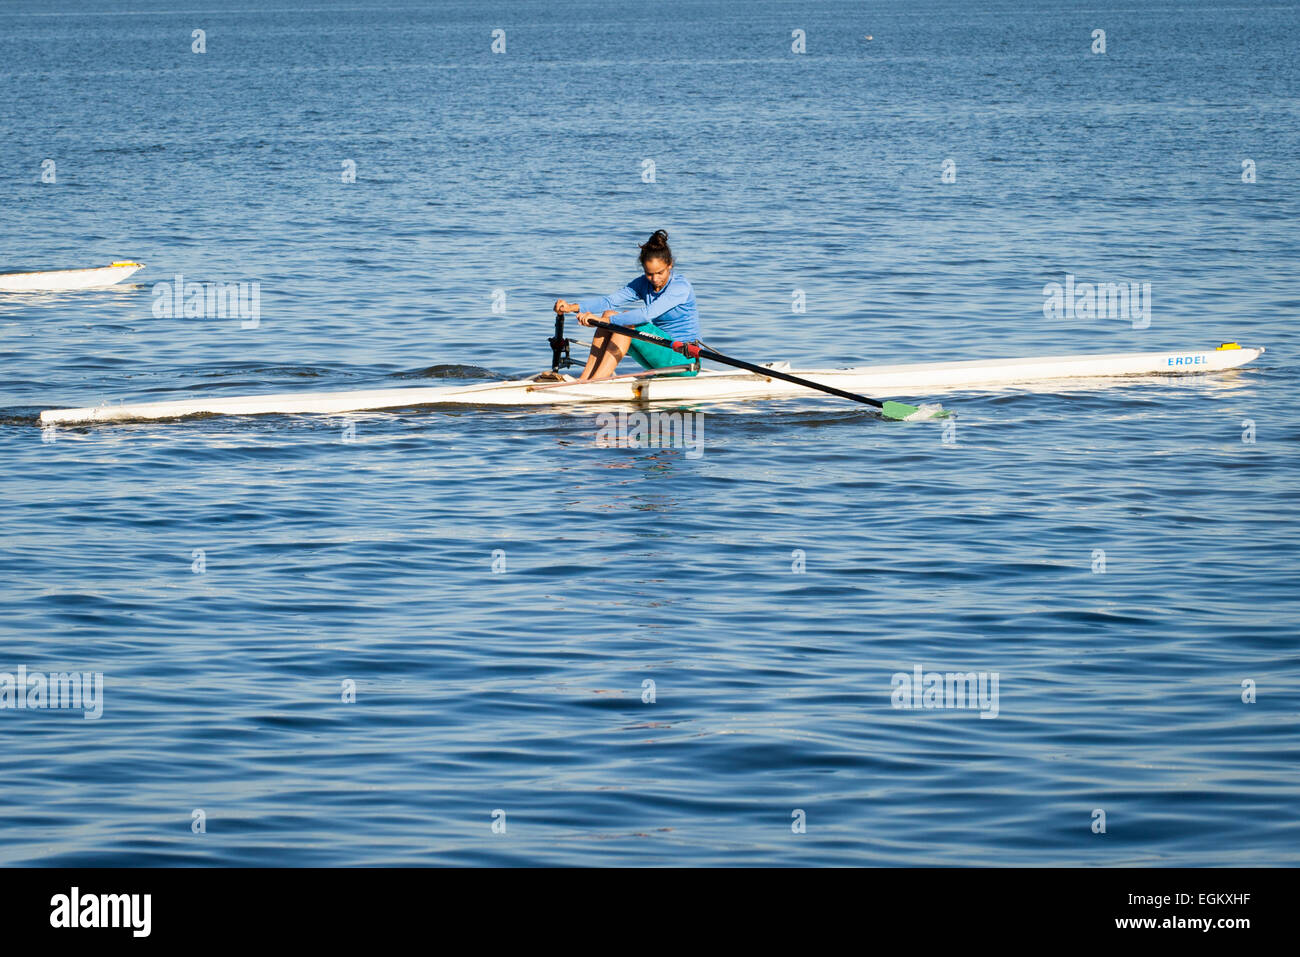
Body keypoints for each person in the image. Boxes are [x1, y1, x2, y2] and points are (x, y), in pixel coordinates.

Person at [553, 230, 701, 380]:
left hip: (684, 359)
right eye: (649, 274)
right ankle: (585, 379)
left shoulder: (680, 287)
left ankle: (596, 381)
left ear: (670, 265)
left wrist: (605, 322)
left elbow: (647, 314)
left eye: (660, 273)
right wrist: (572, 307)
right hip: (659, 354)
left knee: (623, 322)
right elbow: (609, 301)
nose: (654, 279)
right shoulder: (643, 283)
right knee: (609, 313)